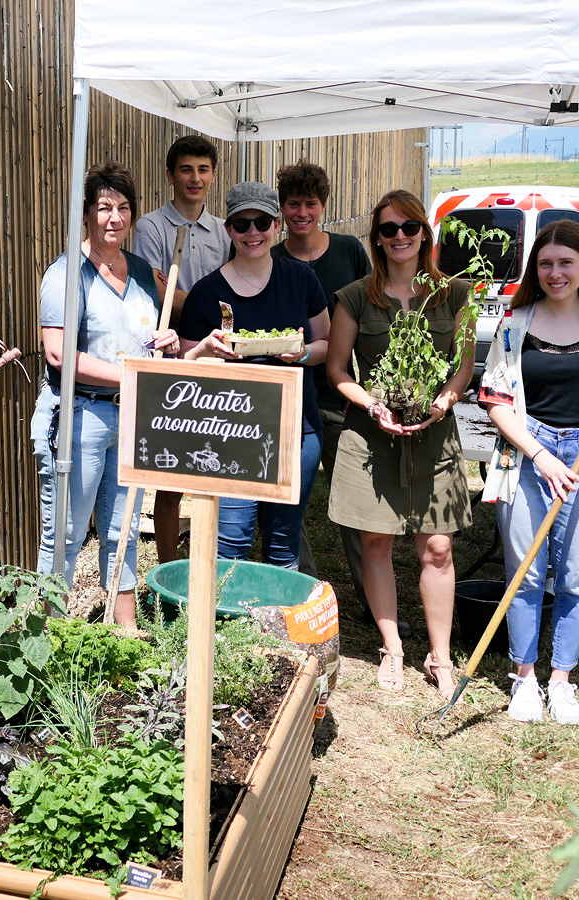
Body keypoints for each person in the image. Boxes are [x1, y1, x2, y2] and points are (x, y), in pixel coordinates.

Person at [480, 220, 579, 724]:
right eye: (546, 263)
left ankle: (562, 681)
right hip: (529, 453)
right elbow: (496, 401)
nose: (555, 273)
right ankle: (525, 679)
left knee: (575, 575)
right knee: (524, 572)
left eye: (566, 263)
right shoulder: (515, 323)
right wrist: (540, 455)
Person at [325, 189, 472, 698]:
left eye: (410, 228)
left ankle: (441, 657)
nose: (401, 237)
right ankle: (392, 648)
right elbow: (337, 370)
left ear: (424, 233)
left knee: (437, 547)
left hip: (433, 431)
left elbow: (464, 365)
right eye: (389, 229)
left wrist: (445, 400)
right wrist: (372, 404)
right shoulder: (354, 296)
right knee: (376, 541)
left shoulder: (455, 294)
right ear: (377, 237)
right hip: (374, 433)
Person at [30, 162, 179, 631]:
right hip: (79, 416)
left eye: (123, 208)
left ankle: (127, 631)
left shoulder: (139, 270)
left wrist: (168, 343)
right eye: (103, 208)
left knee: (125, 530)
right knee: (67, 534)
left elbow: (151, 339)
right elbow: (59, 355)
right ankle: (47, 637)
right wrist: (132, 375)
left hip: (129, 416)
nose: (114, 218)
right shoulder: (66, 273)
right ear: (87, 215)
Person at [270, 160, 403, 632]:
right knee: (290, 505)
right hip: (290, 399)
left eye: (310, 203)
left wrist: (369, 387)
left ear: (323, 206)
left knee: (355, 504)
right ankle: (302, 595)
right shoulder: (270, 254)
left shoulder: (348, 251)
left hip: (346, 397)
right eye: (292, 204)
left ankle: (373, 600)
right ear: (282, 208)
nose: (301, 212)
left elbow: (376, 313)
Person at [179, 181, 330, 569]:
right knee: (230, 541)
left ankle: (274, 626)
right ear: (228, 229)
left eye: (261, 222)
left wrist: (301, 353)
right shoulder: (206, 292)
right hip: (229, 434)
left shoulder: (300, 279)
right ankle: (229, 626)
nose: (252, 233)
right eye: (241, 224)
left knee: (283, 540)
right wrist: (205, 351)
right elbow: (183, 366)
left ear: (276, 225)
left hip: (297, 427)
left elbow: (328, 344)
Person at [134, 135, 231, 564]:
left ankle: (214, 563)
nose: (195, 178)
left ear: (212, 175)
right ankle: (168, 568)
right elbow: (155, 285)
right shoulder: (151, 227)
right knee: (171, 471)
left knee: (220, 460)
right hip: (174, 352)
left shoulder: (224, 230)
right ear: (171, 174)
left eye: (203, 169)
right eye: (186, 169)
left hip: (220, 351)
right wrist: (205, 310)